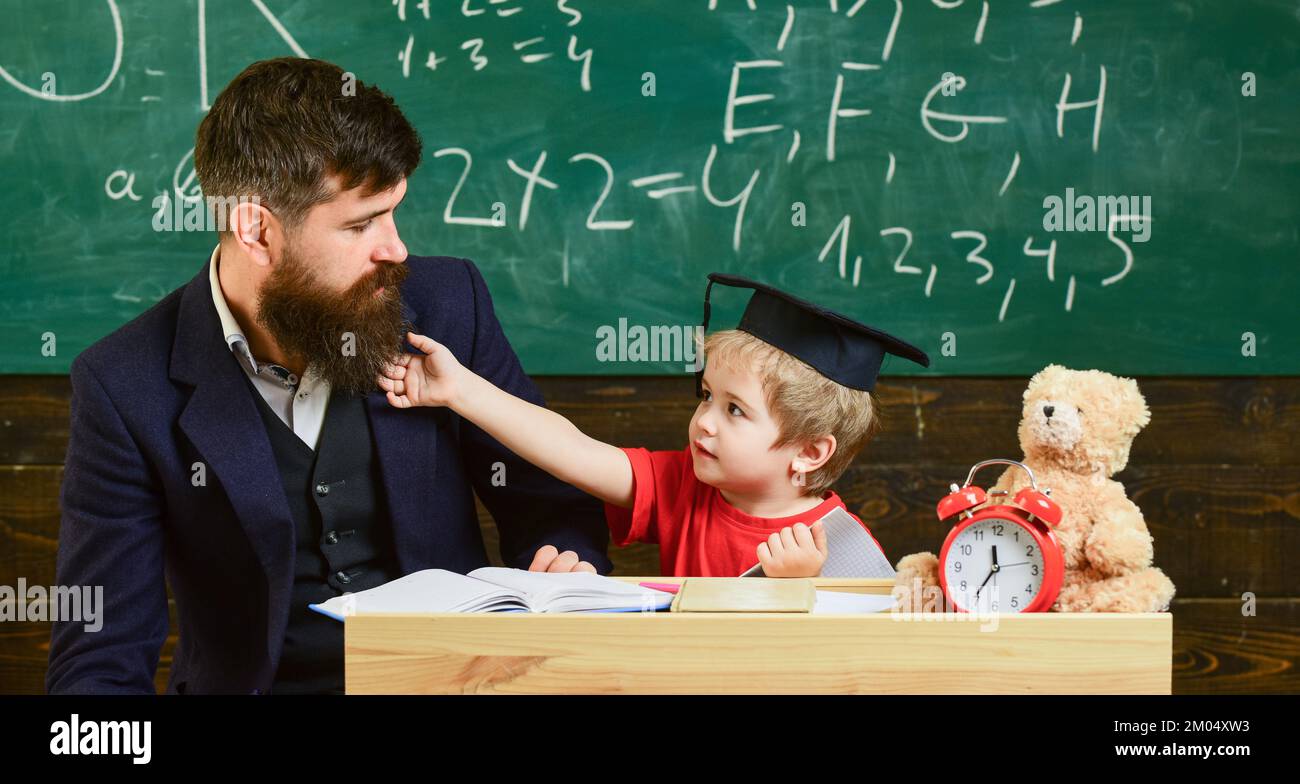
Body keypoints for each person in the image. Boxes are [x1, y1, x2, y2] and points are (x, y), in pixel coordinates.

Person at [46, 57, 611, 696]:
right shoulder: (123, 383)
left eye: (393, 212)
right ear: (256, 230)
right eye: (360, 224)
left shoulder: (451, 303)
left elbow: (550, 503)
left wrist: (564, 568)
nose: (395, 249)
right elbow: (98, 661)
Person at [379, 273, 931, 577]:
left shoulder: (838, 546)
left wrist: (797, 590)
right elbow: (571, 450)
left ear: (810, 452)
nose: (703, 423)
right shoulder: (681, 486)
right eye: (707, 396)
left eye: (735, 410)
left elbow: (858, 669)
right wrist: (461, 390)